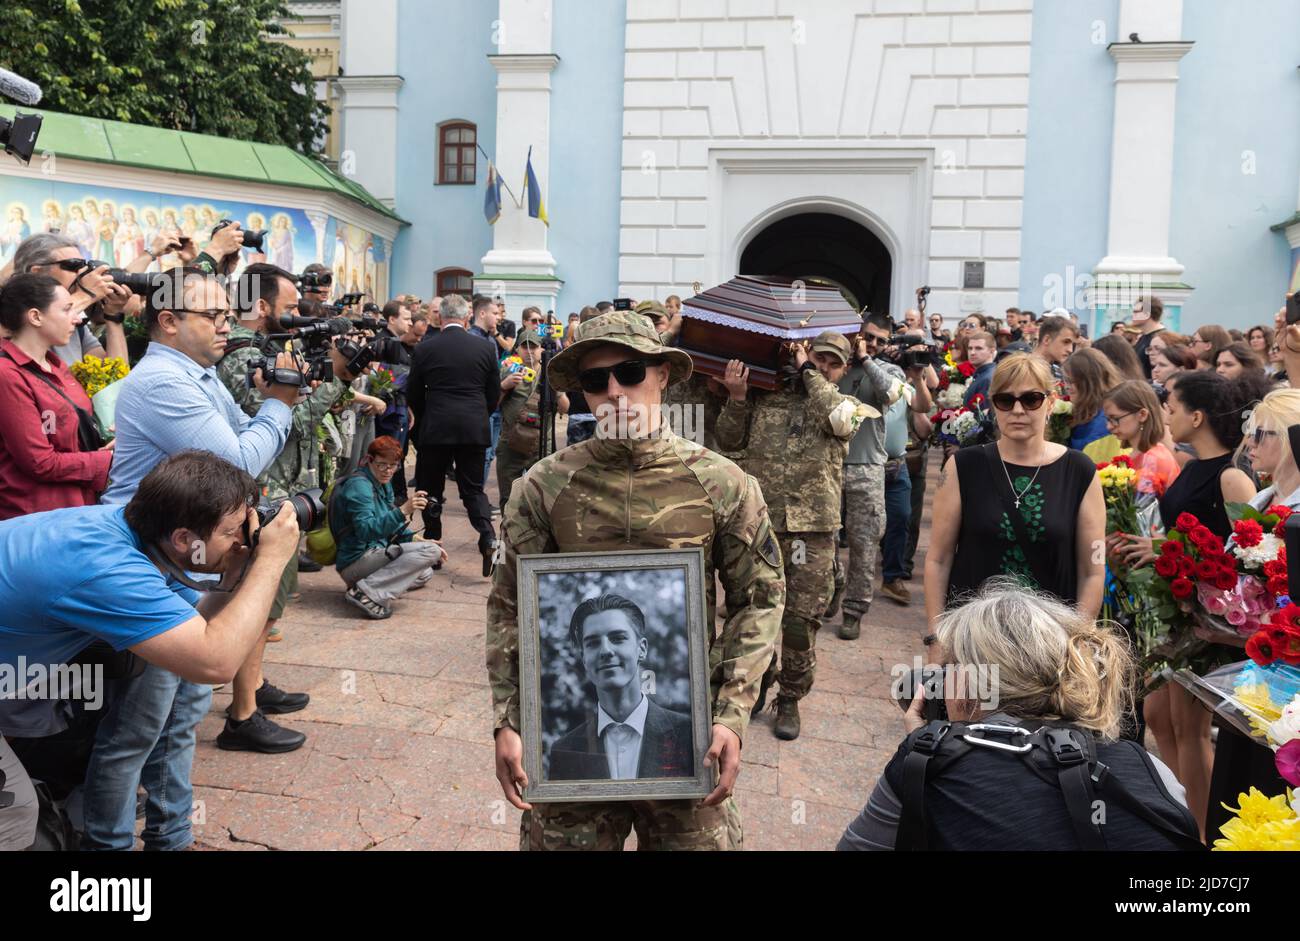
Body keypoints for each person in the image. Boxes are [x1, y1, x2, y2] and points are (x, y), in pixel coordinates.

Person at [487, 311, 784, 851]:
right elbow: (511, 608)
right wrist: (509, 720)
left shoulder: (721, 482)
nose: (614, 391)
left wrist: (732, 712)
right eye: (595, 380)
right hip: (567, 742)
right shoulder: (543, 486)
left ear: (663, 375)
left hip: (689, 740)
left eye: (629, 371)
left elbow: (759, 600)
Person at [86, 268, 300, 851]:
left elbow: (244, 440)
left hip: (184, 563)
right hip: (149, 565)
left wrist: (266, 409)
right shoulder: (161, 382)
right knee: (137, 729)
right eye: (216, 317)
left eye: (230, 316)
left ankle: (171, 838)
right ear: (170, 320)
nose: (228, 326)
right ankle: (107, 852)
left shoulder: (198, 375)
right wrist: (279, 404)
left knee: (181, 718)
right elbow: (240, 460)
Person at [0, 451, 301, 851]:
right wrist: (273, 561)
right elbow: (214, 663)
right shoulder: (109, 567)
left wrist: (231, 577)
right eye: (231, 531)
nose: (241, 539)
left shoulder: (137, 535)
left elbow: (198, 628)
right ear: (184, 539)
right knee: (14, 815)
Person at [837, 582, 1199, 851]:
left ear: (973, 683)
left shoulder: (929, 764)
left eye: (950, 667)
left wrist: (922, 749)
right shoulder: (1151, 770)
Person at [1113, 370, 1256, 838]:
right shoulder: (1190, 464)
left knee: (1187, 726)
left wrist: (1168, 552)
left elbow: (1248, 556)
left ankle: (1204, 830)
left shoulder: (1232, 476)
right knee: (1157, 716)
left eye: (1172, 404)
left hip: (1211, 619)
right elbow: (1178, 533)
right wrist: (1152, 546)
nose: (1165, 411)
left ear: (1197, 415)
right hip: (1180, 608)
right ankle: (1183, 811)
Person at [214, 263, 348, 752]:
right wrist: (336, 378)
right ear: (264, 306)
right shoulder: (238, 357)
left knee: (271, 603)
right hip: (258, 492)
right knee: (255, 601)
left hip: (279, 489)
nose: (297, 317)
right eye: (290, 308)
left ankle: (254, 684)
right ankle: (242, 713)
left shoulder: (265, 351)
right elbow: (287, 420)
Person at [716, 331, 876, 740]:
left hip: (812, 532)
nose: (822, 366)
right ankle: (757, 681)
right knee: (751, 610)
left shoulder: (845, 406)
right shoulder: (764, 398)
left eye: (830, 362)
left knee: (800, 622)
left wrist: (808, 371)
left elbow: (838, 418)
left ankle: (790, 697)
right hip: (761, 524)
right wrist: (736, 398)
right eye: (815, 358)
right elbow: (729, 441)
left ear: (844, 370)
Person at [925, 353, 1105, 642]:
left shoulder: (1079, 471)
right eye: (1005, 400)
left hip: (1049, 644)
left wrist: (1078, 642)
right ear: (993, 404)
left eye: (1031, 399)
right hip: (973, 639)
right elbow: (938, 559)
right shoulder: (963, 467)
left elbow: (1092, 571)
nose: (1018, 410)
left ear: (1051, 400)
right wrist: (937, 637)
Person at [1203, 388, 1300, 836]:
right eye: (1249, 432)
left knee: (1274, 791)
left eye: (1260, 433)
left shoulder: (1291, 511)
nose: (1249, 443)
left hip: (1289, 685)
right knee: (1238, 789)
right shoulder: (1260, 502)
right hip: (1252, 675)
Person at [0, 274, 114, 520]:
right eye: (66, 310)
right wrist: (106, 461)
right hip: (39, 518)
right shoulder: (7, 375)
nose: (77, 318)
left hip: (79, 506)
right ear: (35, 317)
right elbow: (39, 461)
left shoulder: (57, 365)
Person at [547, 594, 694, 781]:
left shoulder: (688, 734)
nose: (606, 651)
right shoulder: (564, 751)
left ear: (642, 649)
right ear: (584, 658)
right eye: (592, 643)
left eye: (617, 638)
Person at [408, 294, 499, 576]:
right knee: (473, 490)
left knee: (430, 488)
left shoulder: (426, 348)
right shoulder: (485, 348)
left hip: (436, 426)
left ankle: (433, 547)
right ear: (466, 317)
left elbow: (413, 393)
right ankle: (491, 539)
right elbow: (493, 393)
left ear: (440, 317)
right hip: (474, 425)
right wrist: (477, 414)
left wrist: (426, 418)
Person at [836, 315, 910, 639]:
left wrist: (866, 358)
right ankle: (833, 583)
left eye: (881, 340)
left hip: (867, 467)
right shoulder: (835, 364)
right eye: (869, 337)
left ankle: (854, 610)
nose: (875, 344)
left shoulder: (890, 371)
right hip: (830, 465)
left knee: (864, 542)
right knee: (820, 538)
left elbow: (889, 393)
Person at [333, 436, 446, 618]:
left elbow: (391, 528)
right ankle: (367, 594)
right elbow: (365, 531)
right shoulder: (359, 486)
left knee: (425, 572)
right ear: (369, 459)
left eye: (393, 466)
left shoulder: (382, 483)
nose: (387, 471)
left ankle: (367, 584)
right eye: (382, 464)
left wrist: (417, 539)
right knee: (429, 553)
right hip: (356, 560)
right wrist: (402, 511)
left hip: (376, 553)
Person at [11, 233, 131, 364]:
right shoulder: (8, 313)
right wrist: (86, 294)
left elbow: (114, 373)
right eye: (74, 266)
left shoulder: (73, 321)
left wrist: (113, 315)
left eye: (84, 266)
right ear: (37, 272)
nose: (82, 273)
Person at [495, 328, 568, 508]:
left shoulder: (549, 374)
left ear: (541, 350)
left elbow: (566, 408)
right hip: (511, 443)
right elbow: (491, 405)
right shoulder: (508, 371)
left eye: (534, 347)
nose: (530, 351)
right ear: (517, 350)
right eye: (524, 347)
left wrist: (556, 392)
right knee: (509, 496)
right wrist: (504, 386)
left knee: (543, 496)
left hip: (541, 444)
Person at [1102, 381, 1180, 498]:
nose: (1109, 426)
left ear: (1142, 415)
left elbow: (1146, 510)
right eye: (1108, 419)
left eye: (1115, 419)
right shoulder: (1136, 454)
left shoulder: (1154, 459)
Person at [1062, 348, 1122, 455]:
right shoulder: (1087, 409)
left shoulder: (1105, 419)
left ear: (1089, 382)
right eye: (1065, 380)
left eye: (1071, 381)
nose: (1066, 387)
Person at [1130, 296, 1166, 380]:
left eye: (1136, 312)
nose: (1132, 315)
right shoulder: (1144, 336)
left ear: (1146, 314)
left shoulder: (1161, 339)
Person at [1034, 315, 1076, 379]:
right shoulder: (1022, 370)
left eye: (1072, 344)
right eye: (1066, 342)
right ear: (1047, 340)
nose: (1070, 350)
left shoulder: (1057, 372)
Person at [961, 330, 995, 408]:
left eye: (978, 348)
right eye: (970, 348)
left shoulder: (988, 378)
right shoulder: (983, 374)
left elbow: (984, 416)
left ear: (991, 351)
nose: (972, 352)